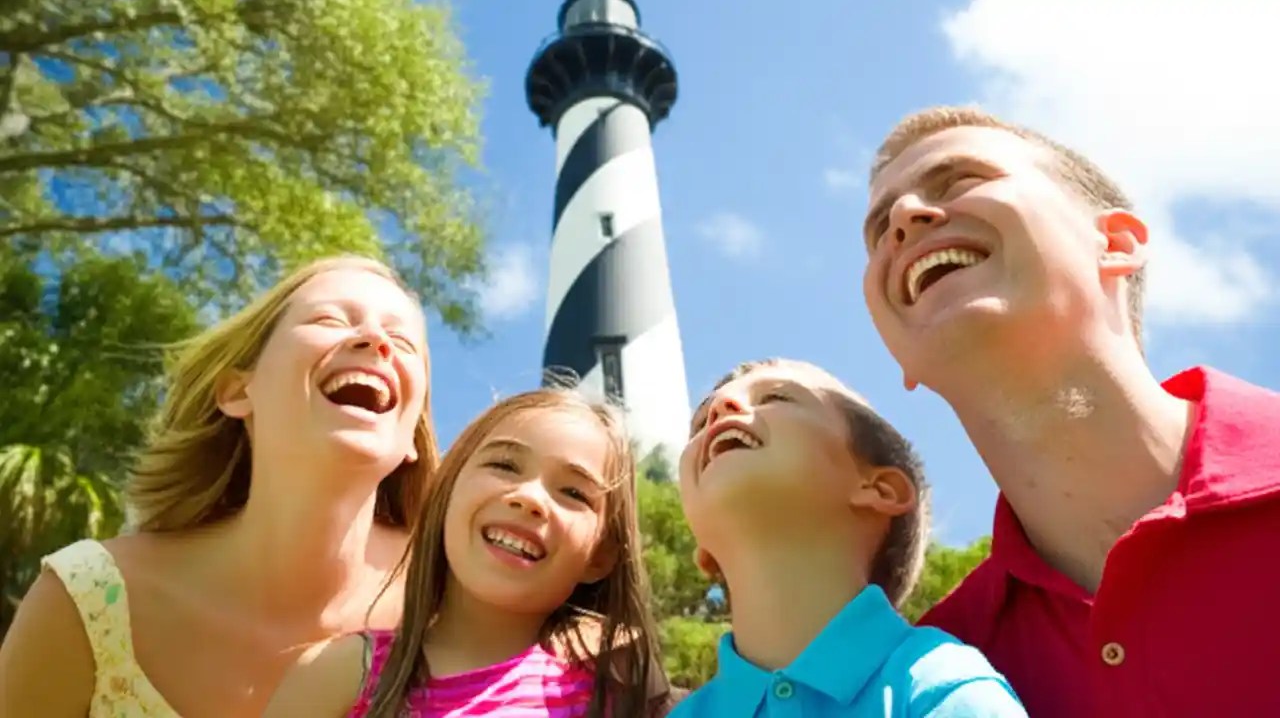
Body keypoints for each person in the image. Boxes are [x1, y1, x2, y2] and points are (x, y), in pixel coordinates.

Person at [861, 105, 1280, 717]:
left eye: (962, 181)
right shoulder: (932, 679)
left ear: (1115, 244)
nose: (902, 218)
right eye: (878, 231)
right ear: (900, 352)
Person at [0, 255, 439, 718]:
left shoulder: (454, 606)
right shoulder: (89, 603)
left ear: (411, 434)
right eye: (330, 319)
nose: (376, 341)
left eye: (403, 342)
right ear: (237, 391)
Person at [264, 387, 675, 718]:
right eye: (505, 466)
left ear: (600, 558)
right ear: (447, 493)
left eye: (573, 492)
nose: (529, 497)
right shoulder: (340, 672)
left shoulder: (618, 688)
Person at [671, 358, 1025, 717]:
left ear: (880, 489)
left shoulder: (935, 683)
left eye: (776, 397)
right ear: (704, 553)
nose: (719, 407)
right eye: (700, 423)